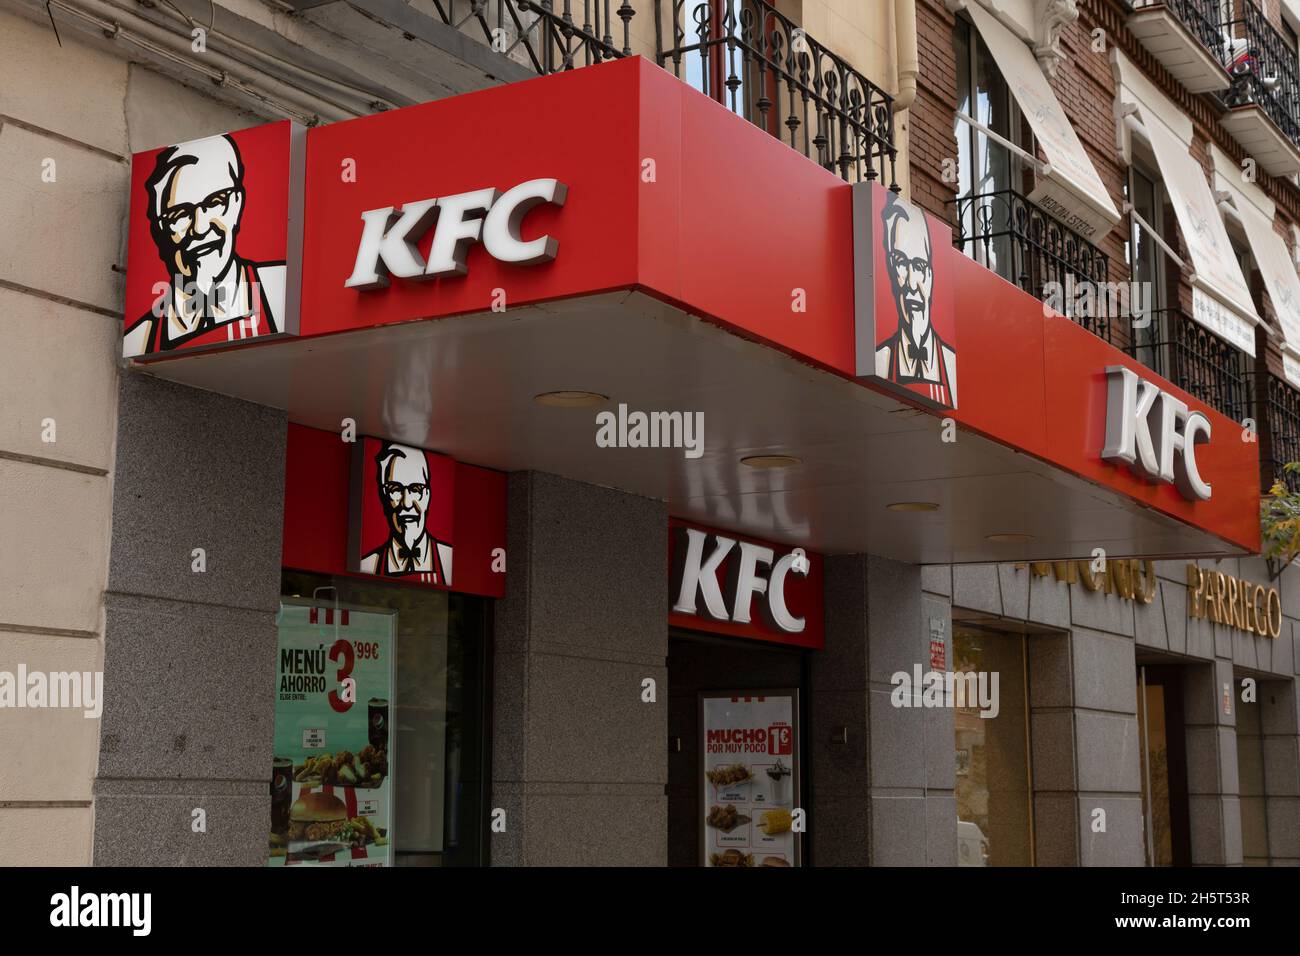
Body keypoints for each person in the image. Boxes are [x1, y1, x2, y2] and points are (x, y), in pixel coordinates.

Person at [124, 133, 284, 356]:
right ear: (160, 230)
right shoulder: (139, 341)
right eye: (180, 214)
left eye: (215, 202)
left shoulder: (282, 292)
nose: (200, 228)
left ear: (237, 204)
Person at [874, 193, 957, 407]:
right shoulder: (879, 359)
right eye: (901, 263)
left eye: (919, 266)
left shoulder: (950, 363)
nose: (911, 283)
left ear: (931, 274)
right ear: (890, 269)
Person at [358, 442, 453, 586]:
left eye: (416, 489)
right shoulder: (369, 564)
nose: (407, 503)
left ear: (427, 495)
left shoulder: (447, 558)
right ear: (384, 497)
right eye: (396, 489)